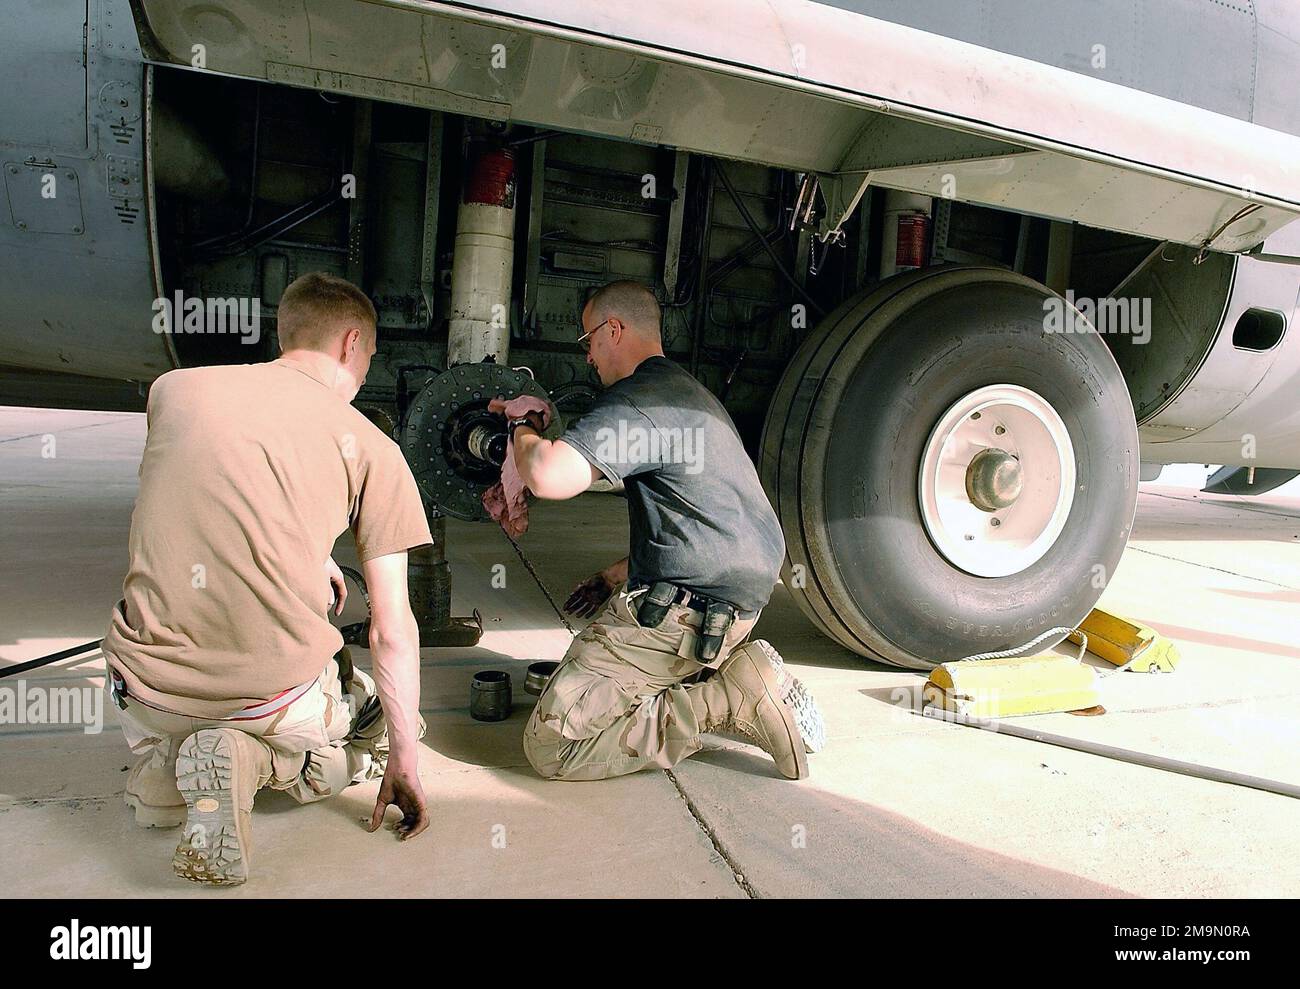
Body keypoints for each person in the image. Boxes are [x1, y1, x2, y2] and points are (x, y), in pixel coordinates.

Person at [102, 272, 432, 885]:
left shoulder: (173, 391)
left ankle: (164, 780)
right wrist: (406, 762)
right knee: (378, 723)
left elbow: (211, 490)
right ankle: (253, 761)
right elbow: (393, 631)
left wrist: (310, 552)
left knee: (165, 741)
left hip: (144, 690)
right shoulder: (373, 449)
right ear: (352, 343)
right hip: (270, 700)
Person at [503, 279, 824, 782]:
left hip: (687, 615)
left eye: (588, 341)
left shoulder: (640, 401)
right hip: (739, 604)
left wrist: (522, 428)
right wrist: (618, 574)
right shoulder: (691, 395)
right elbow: (703, 513)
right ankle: (719, 670)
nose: (587, 357)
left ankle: (725, 698)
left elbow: (546, 474)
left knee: (554, 744)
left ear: (613, 330)